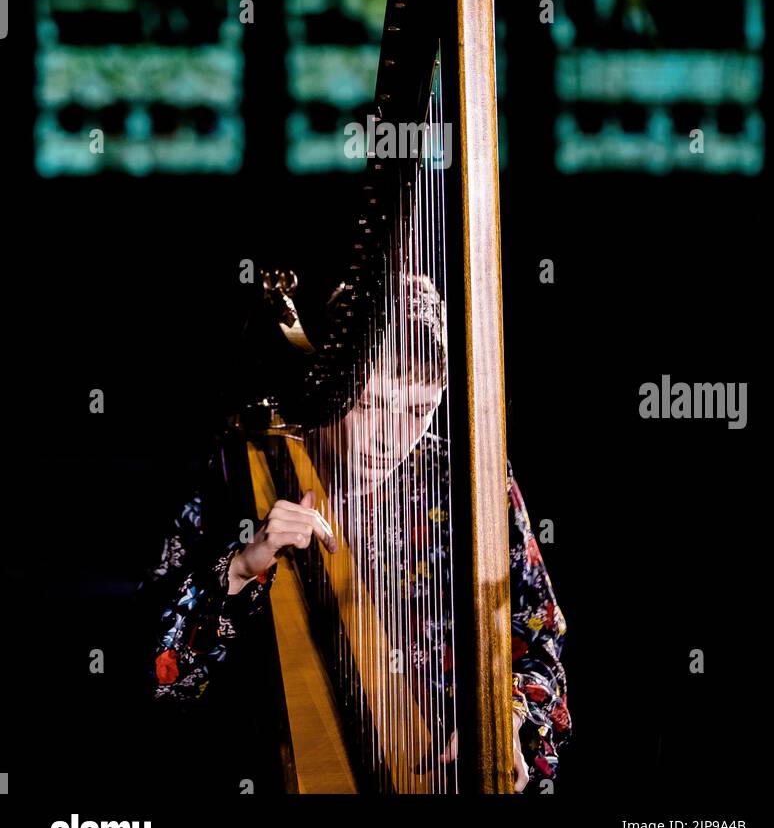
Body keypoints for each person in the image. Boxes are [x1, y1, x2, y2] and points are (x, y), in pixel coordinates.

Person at [135, 278, 572, 793]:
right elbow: (161, 680)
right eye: (370, 404)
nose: (388, 437)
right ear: (332, 388)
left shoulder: (473, 481)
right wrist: (240, 567)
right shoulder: (238, 467)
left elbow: (540, 646)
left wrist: (509, 717)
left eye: (416, 410)